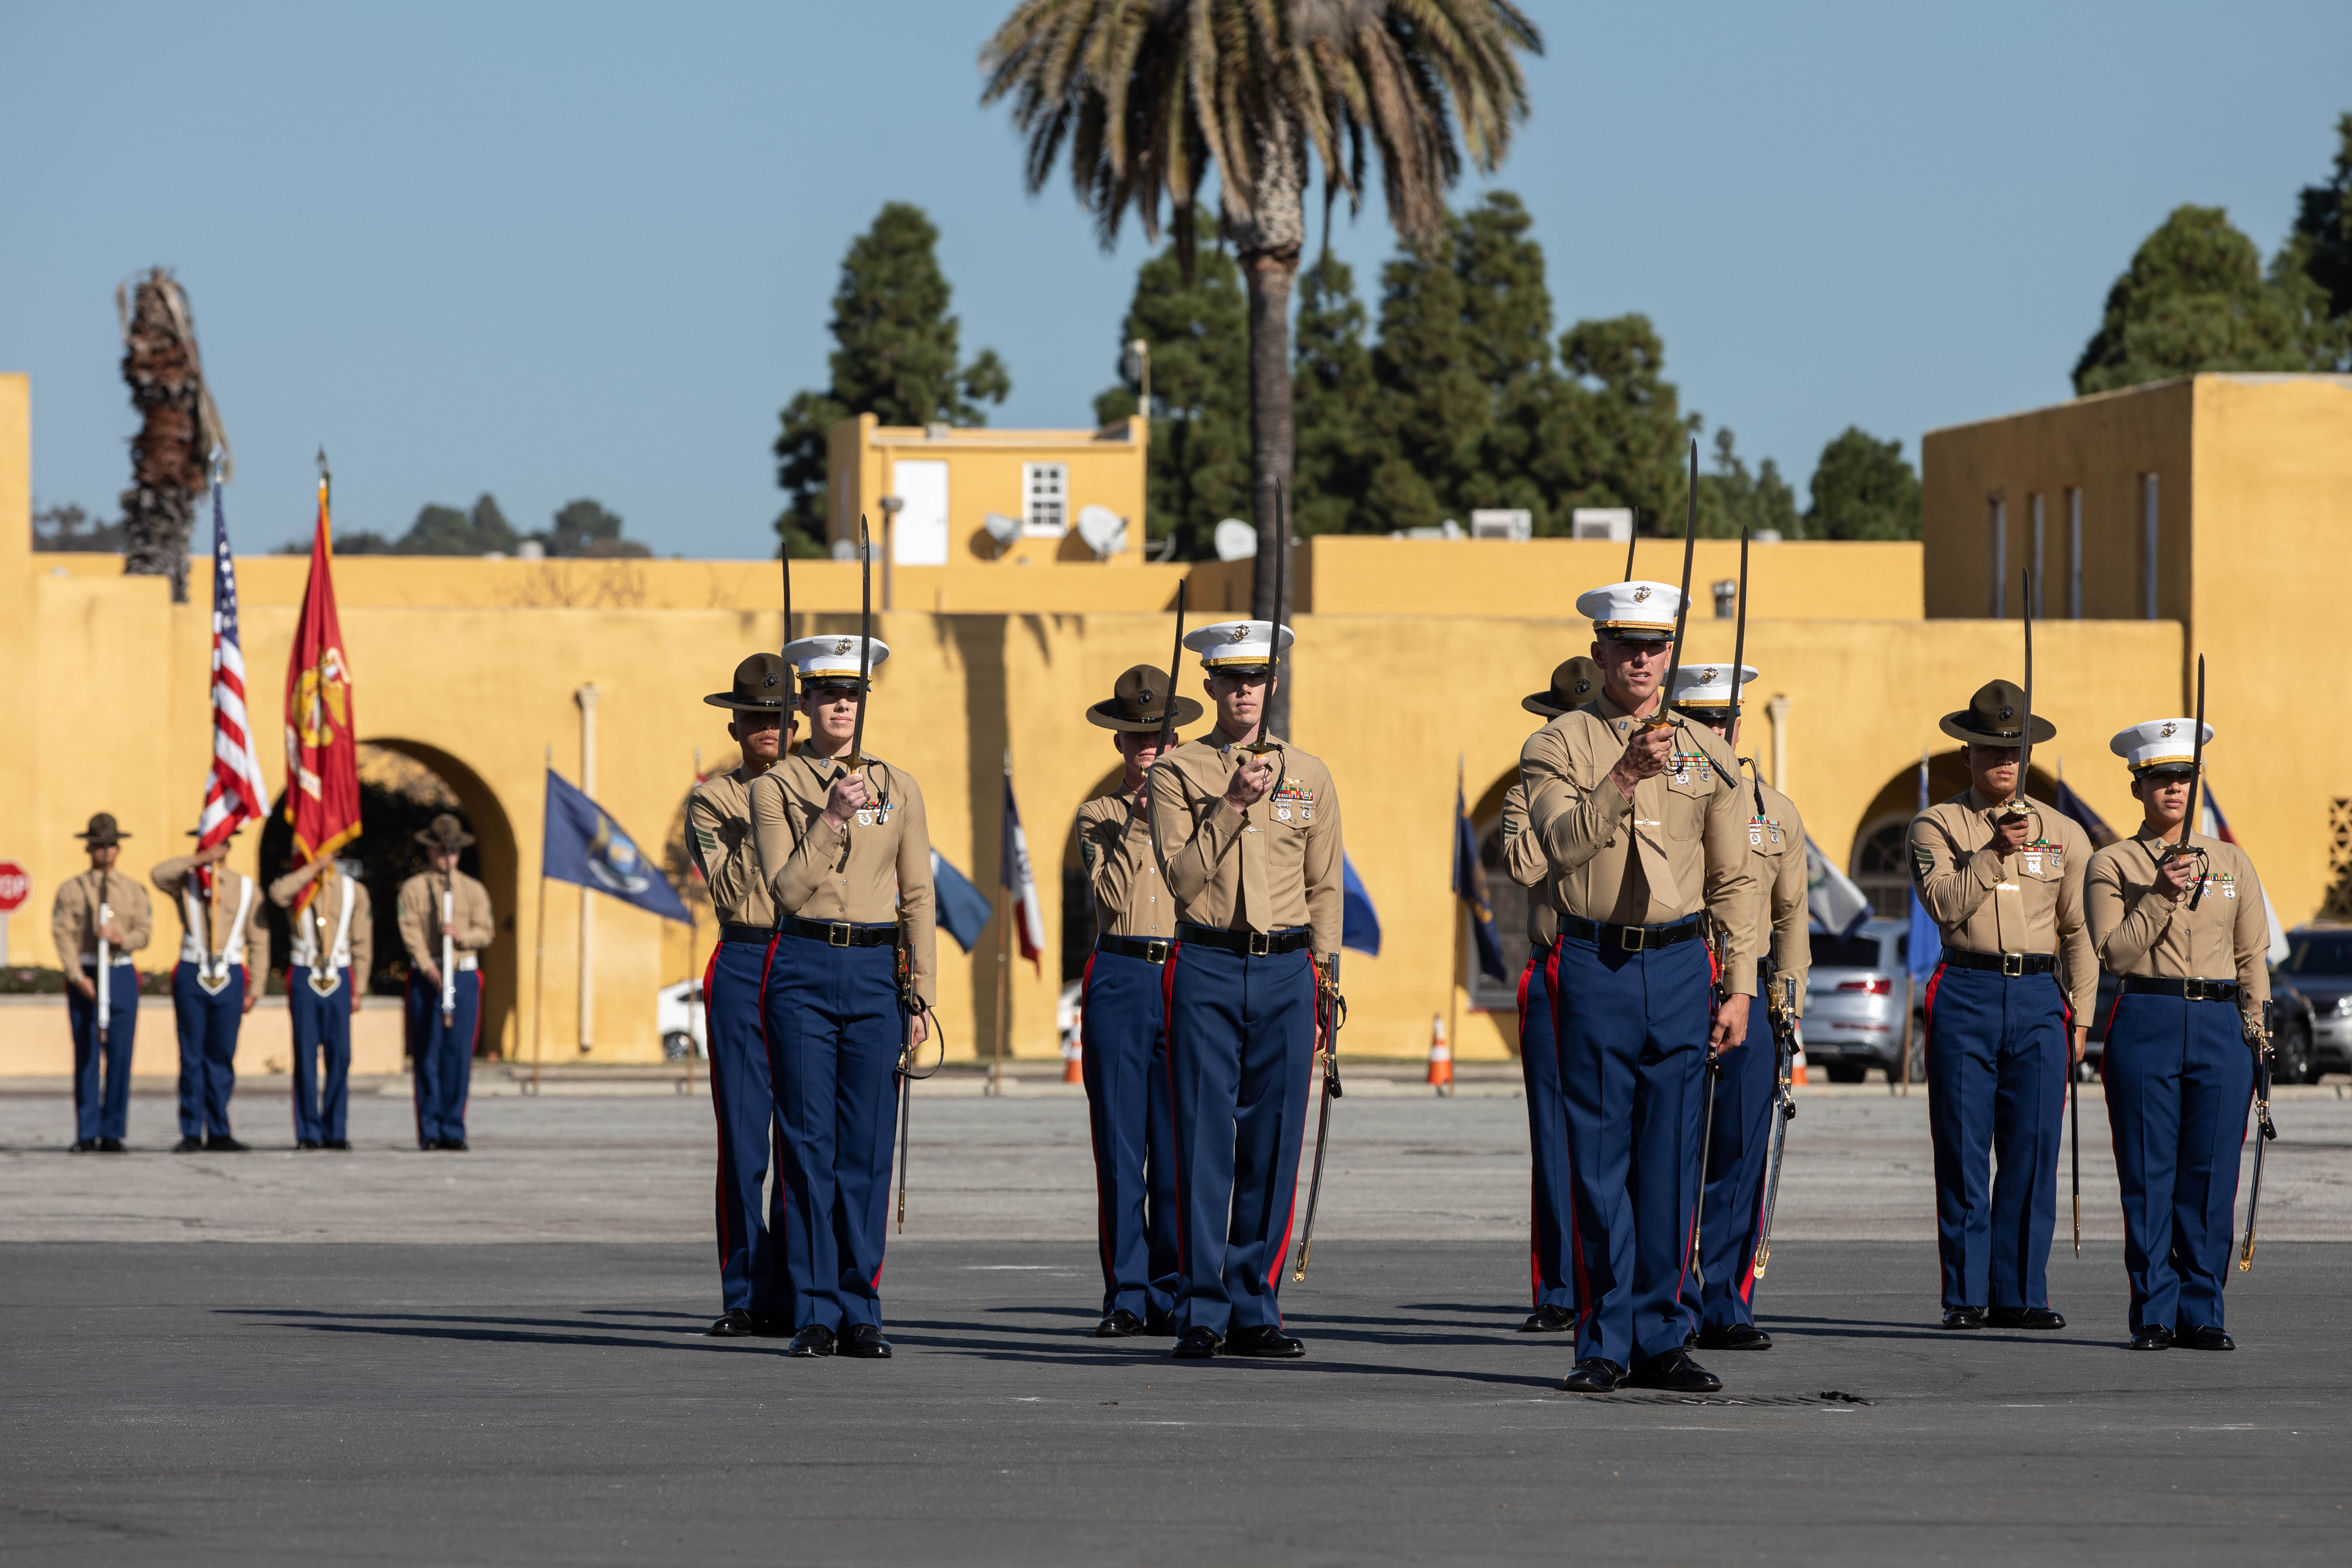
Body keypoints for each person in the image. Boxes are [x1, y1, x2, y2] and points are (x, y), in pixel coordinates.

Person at [1518, 581, 1758, 1394]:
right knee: (1596, 1159)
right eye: (1625, 646)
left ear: (1670, 655)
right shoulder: (1560, 744)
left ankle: (1663, 1335)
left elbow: (1733, 881)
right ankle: (1600, 1338)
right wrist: (1621, 775)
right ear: (1599, 653)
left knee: (1669, 1161)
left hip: (1680, 962)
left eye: (1655, 646)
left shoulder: (1709, 752)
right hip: (1597, 965)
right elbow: (1557, 845)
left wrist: (1739, 987)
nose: (1641, 660)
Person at [1149, 617, 1344, 1362]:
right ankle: (1199, 1305)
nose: (1242, 690)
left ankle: (1254, 1304)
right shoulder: (1178, 773)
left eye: (1254, 677)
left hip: (1286, 967)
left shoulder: (1311, 773)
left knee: (1272, 1139)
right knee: (1203, 1139)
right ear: (1208, 685)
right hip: (1206, 961)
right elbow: (1181, 877)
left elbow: (1324, 885)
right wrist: (1230, 803)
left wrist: (1326, 975)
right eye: (1229, 677)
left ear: (1270, 684)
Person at [750, 633, 936, 1361]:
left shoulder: (900, 785)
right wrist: (828, 819)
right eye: (828, 694)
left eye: (852, 694)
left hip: (872, 972)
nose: (841, 706)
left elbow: (917, 892)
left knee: (865, 1147)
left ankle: (862, 1307)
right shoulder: (776, 787)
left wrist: (919, 992)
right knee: (807, 1147)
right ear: (805, 703)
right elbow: (785, 890)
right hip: (802, 963)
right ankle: (815, 1309)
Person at [1908, 680, 2094, 1331]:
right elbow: (1942, 905)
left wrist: (2084, 1015)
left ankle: (2020, 1293)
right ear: (1967, 753)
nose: (2002, 760)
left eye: (2012, 747)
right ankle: (1965, 1294)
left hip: (2042, 996)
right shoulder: (1936, 825)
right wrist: (1993, 853)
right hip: (1967, 989)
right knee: (1962, 1147)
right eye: (1988, 748)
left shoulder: (2066, 833)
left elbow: (2079, 933)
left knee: (2034, 1147)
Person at [2087, 718, 2269, 1352]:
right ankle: (2155, 1311)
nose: (2174, 790)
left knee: (2212, 1175)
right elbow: (2115, 954)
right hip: (2149, 1019)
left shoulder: (2233, 863)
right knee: (2149, 1173)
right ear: (2138, 787)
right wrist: (2160, 896)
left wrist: (2257, 1034)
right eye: (2160, 779)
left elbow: (2252, 958)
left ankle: (2203, 1309)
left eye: (2184, 778)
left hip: (2220, 1026)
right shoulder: (2112, 864)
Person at [1666, 662, 1809, 1351]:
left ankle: (1725, 1300)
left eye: (1724, 720)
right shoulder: (1666, 795)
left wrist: (1789, 999)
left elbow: (1792, 918)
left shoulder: (1774, 812)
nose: (1715, 732)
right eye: (1700, 720)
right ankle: (1671, 1299)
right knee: (1672, 1156)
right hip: (1680, 988)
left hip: (1752, 1002)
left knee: (1737, 1159)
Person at [1074, 664, 1202, 1338]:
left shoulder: (1206, 813)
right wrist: (1140, 822)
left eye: (1156, 733)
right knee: (1122, 1146)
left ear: (1176, 738)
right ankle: (1127, 1292)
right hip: (1123, 975)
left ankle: (1177, 1286)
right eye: (1133, 736)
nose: (1145, 745)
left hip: (1185, 973)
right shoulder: (1099, 816)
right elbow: (1108, 900)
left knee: (1183, 1142)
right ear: (1119, 744)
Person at [690, 651, 794, 1337]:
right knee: (744, 1142)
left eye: (777, 716)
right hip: (746, 955)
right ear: (736, 729)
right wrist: (774, 809)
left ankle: (796, 1287)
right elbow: (729, 888)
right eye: (753, 717)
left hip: (811, 959)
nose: (766, 728)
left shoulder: (834, 786)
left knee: (806, 1140)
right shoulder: (714, 800)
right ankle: (743, 1291)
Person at [1503, 656, 1598, 1334]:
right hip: (1557, 963)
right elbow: (1529, 861)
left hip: (1618, 962)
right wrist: (1582, 820)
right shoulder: (1523, 796)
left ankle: (1616, 1283)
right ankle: (1560, 1288)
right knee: (1556, 1134)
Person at [151, 833, 269, 1153]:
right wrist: (200, 860)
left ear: (229, 847)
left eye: (220, 843)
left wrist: (256, 988)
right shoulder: (186, 881)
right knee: (191, 1057)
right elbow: (158, 875)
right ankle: (191, 1130)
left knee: (222, 1055)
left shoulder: (245, 888)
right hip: (193, 970)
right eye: (207, 842)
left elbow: (259, 939)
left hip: (230, 972)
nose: (216, 848)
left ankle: (219, 1129)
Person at [397, 814, 496, 1152]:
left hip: (464, 974)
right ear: (429, 850)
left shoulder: (473, 889)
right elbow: (410, 933)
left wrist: (462, 936)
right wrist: (428, 967)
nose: (447, 858)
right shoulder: (413, 888)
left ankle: (454, 1127)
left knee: (458, 1055)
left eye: (453, 851)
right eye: (441, 850)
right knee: (428, 1054)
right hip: (429, 976)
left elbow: (487, 932)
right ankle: (430, 1129)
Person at [53, 813, 151, 1152]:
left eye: (110, 846)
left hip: (120, 969)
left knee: (121, 1055)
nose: (104, 852)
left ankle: (113, 1132)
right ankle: (86, 1131)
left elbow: (145, 932)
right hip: (88, 972)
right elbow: (62, 933)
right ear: (89, 849)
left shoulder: (133, 890)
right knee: (87, 1053)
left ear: (118, 849)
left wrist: (122, 938)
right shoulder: (72, 889)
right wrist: (77, 976)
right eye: (98, 846)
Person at [269, 853, 373, 1150]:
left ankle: (335, 1129)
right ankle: (308, 1132)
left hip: (340, 974)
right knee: (305, 1055)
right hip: (305, 971)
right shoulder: (298, 885)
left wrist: (360, 987)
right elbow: (278, 894)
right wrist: (311, 869)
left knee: (340, 1056)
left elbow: (363, 942)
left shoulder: (354, 890)